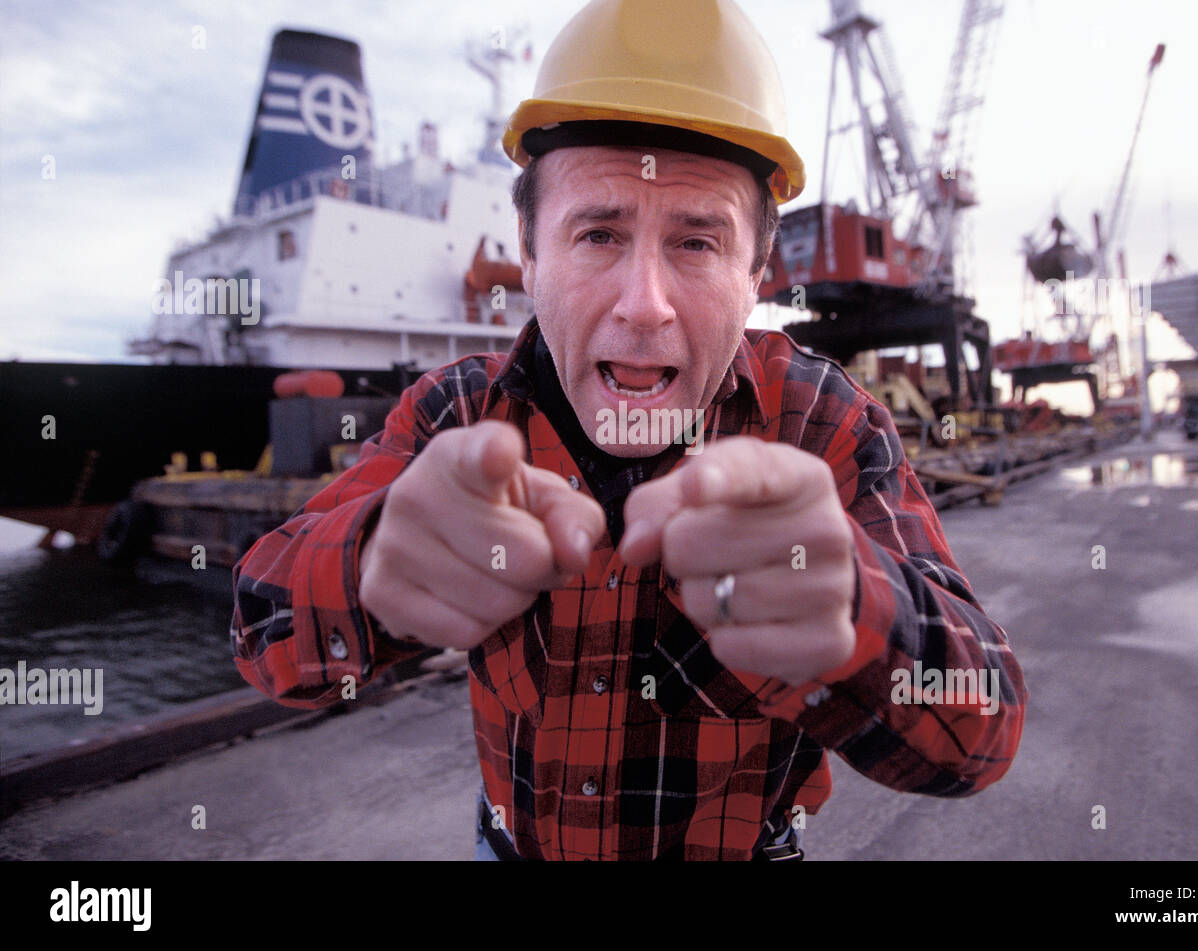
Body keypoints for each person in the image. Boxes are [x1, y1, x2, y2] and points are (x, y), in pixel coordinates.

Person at [231, 0, 1026, 861]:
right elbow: (259, 627)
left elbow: (983, 734)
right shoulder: (451, 418)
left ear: (756, 271)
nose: (643, 305)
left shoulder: (824, 426)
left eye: (696, 243)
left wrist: (861, 613)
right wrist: (367, 563)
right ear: (529, 255)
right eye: (599, 232)